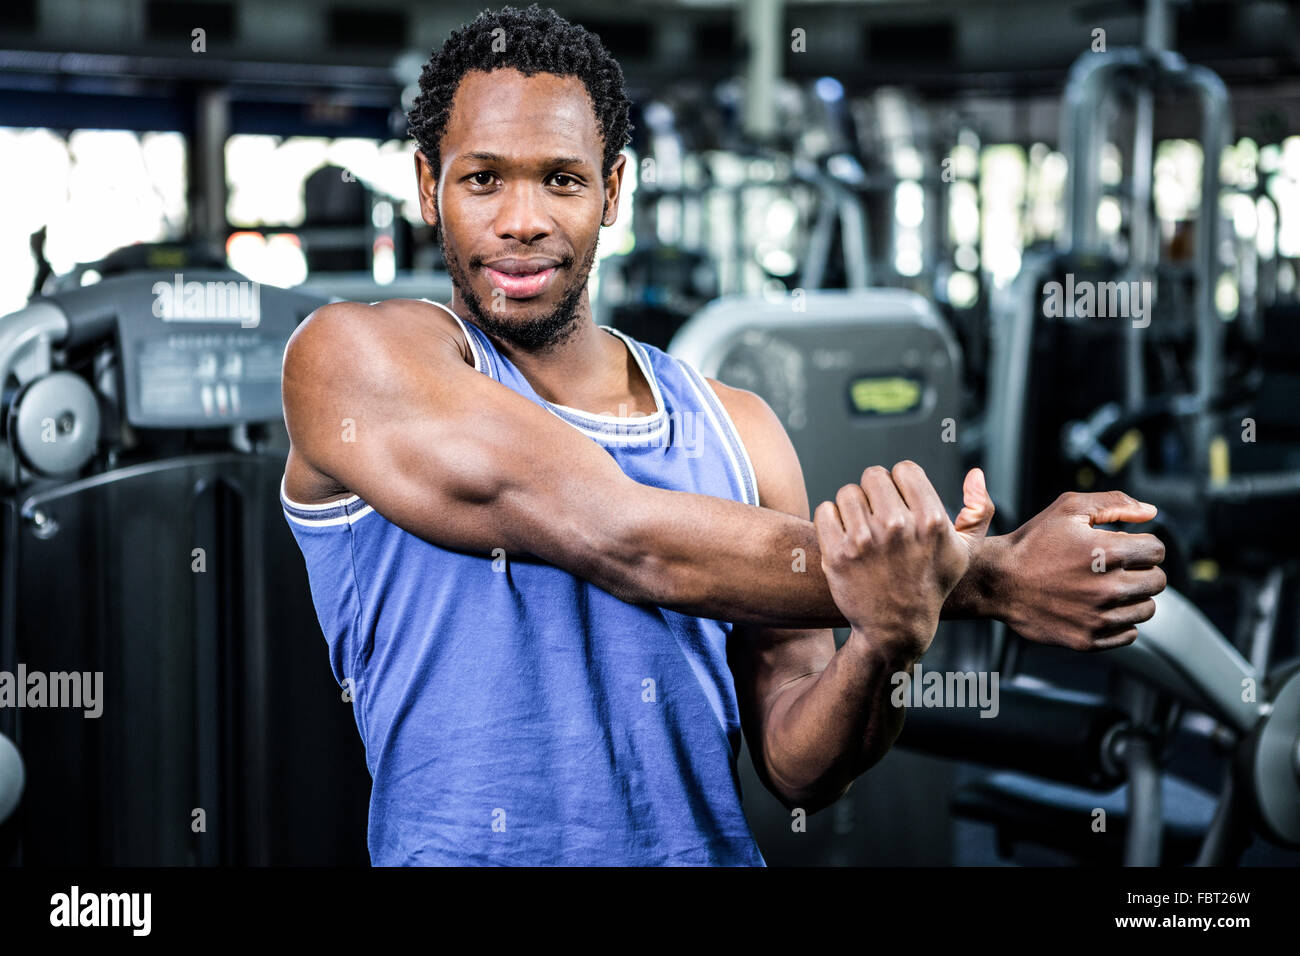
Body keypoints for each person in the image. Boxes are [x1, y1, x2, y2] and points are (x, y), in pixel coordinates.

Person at [279, 4, 1166, 865]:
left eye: (561, 177)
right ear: (428, 186)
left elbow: (798, 767)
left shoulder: (738, 429)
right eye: (483, 179)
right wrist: (990, 576)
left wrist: (890, 632)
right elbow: (618, 533)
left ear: (613, 190)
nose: (523, 220)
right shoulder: (347, 362)